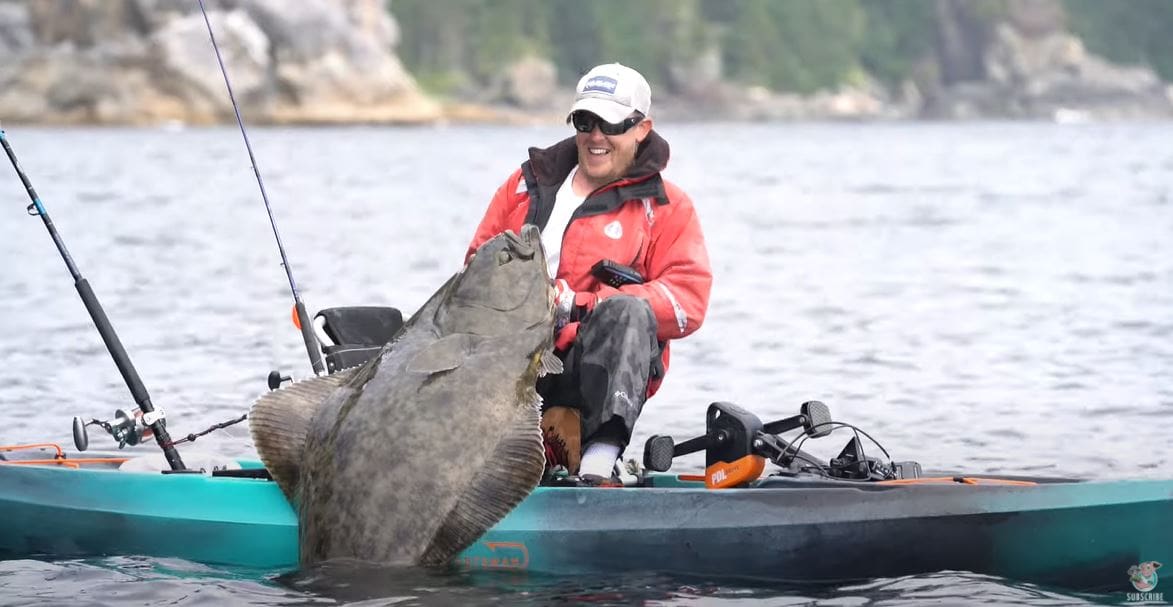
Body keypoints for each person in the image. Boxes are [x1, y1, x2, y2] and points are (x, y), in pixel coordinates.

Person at [465, 63, 712, 481]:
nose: (596, 136)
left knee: (629, 313)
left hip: (589, 373)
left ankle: (599, 461)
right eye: (585, 121)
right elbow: (475, 267)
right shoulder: (525, 186)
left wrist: (578, 306)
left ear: (641, 128)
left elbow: (687, 302)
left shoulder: (669, 206)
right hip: (510, 362)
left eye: (611, 124)